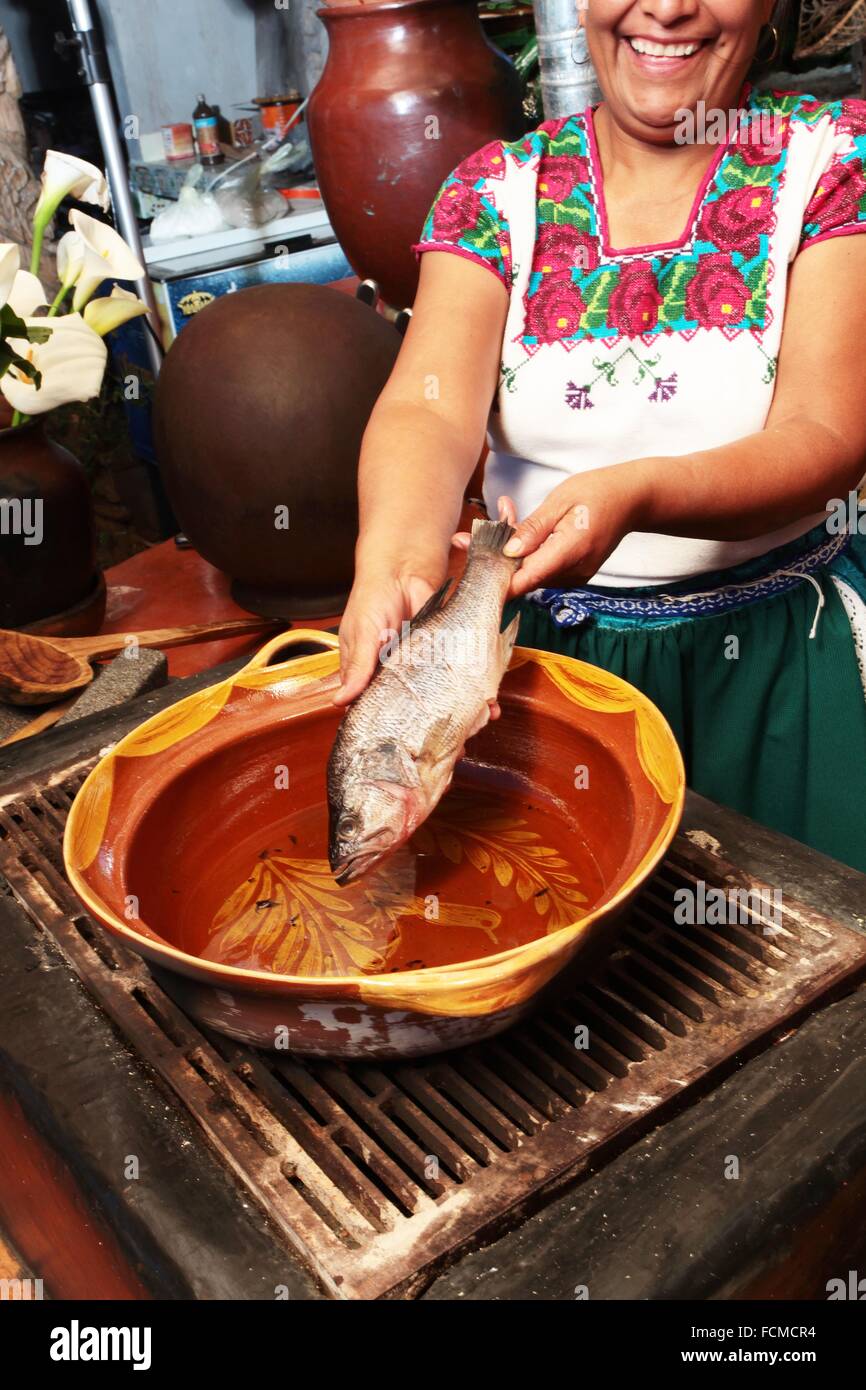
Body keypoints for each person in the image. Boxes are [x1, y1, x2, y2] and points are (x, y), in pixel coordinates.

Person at [335, 0, 866, 872]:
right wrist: (394, 555)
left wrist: (641, 494)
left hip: (779, 673)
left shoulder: (835, 161)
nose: (663, 6)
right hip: (543, 675)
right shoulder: (491, 192)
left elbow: (828, 432)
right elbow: (428, 408)